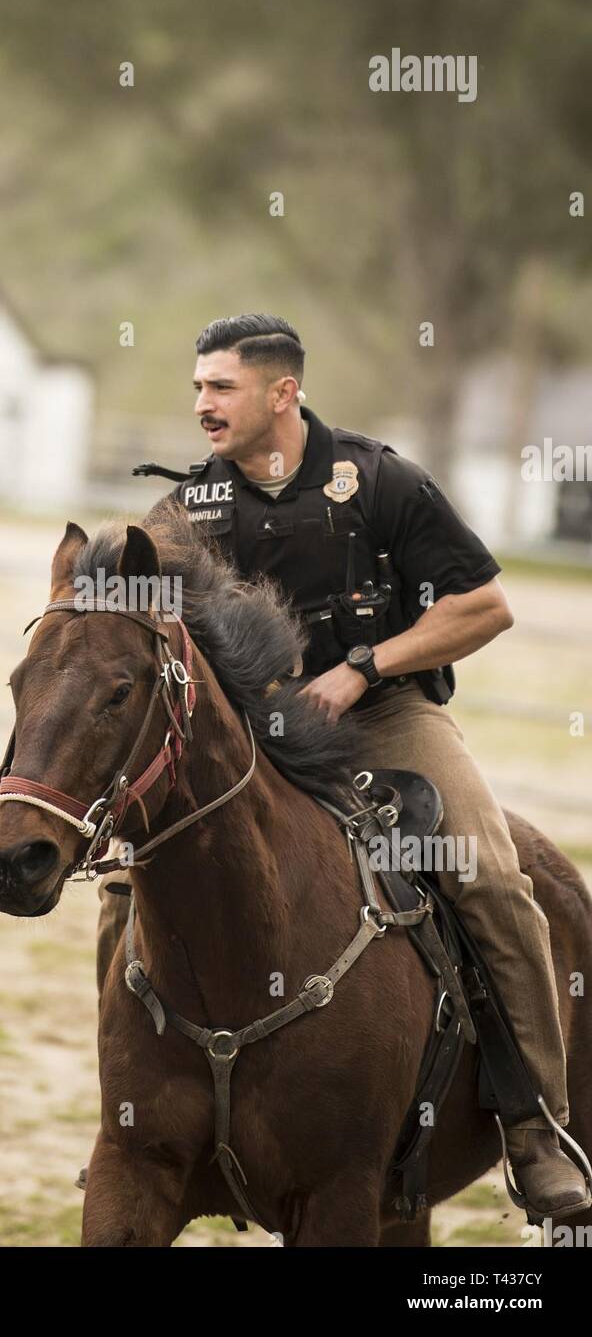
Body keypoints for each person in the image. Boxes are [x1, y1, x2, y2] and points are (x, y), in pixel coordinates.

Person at [96, 312, 589, 1221]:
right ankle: (137, 1127)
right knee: (128, 883)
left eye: (222, 387)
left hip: (388, 716)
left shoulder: (383, 482)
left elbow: (484, 607)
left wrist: (363, 669)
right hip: (253, 740)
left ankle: (537, 1128)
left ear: (283, 392)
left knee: (487, 873)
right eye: (198, 386)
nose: (202, 403)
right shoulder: (188, 509)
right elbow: (124, 619)